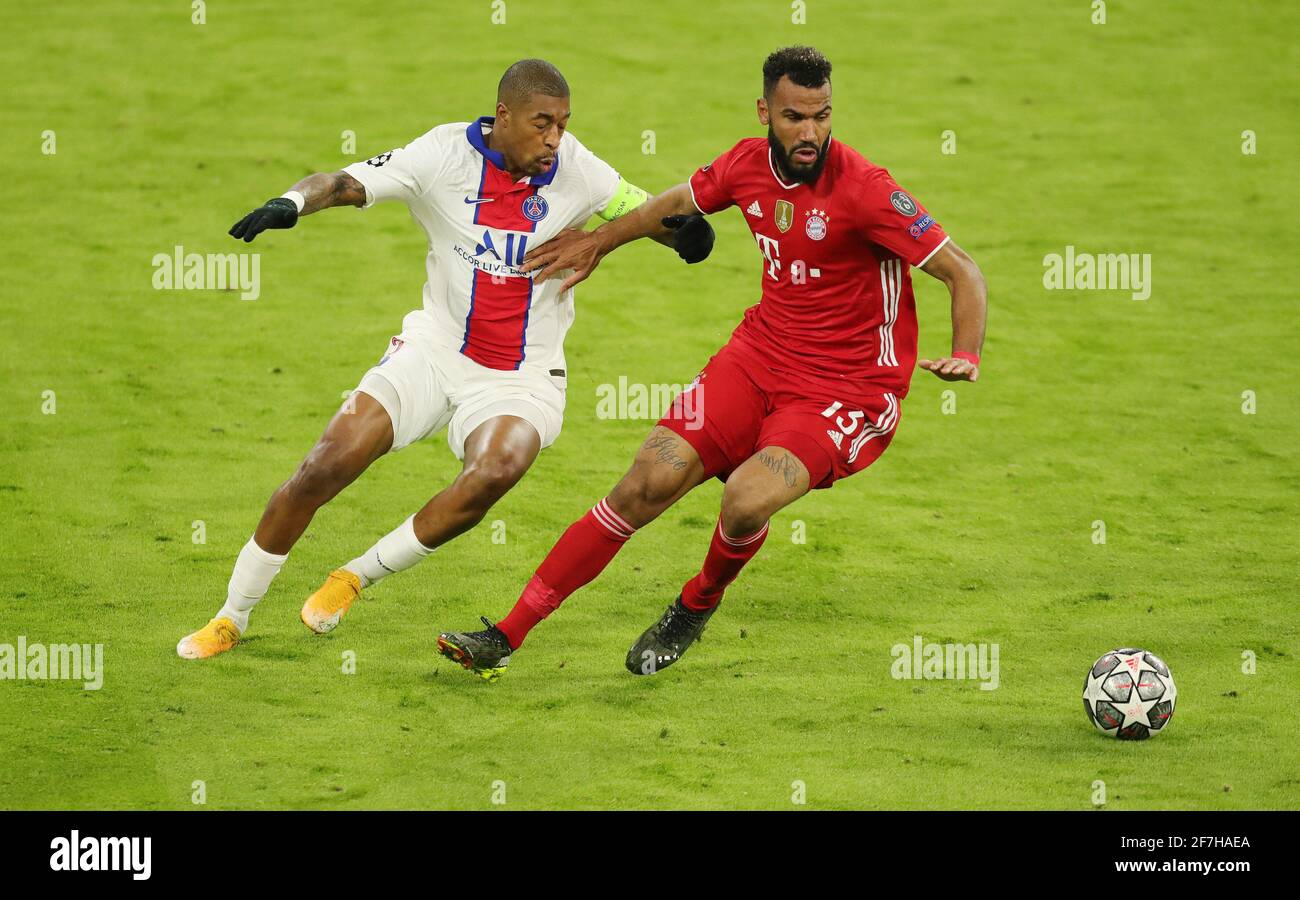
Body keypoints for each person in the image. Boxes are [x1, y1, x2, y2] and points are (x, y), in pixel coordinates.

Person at [436, 46, 987, 681]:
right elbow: (671, 203)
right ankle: (505, 635)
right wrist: (600, 240)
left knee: (746, 501)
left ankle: (695, 605)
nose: (810, 132)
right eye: (793, 117)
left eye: (822, 115)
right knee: (643, 483)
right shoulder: (747, 165)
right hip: (758, 358)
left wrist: (966, 354)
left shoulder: (867, 191)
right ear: (764, 112)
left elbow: (962, 271)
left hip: (848, 390)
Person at [176, 59, 714, 659]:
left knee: (494, 471)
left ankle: (354, 576)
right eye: (543, 124)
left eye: (563, 124)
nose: (554, 139)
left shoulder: (579, 170)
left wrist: (689, 235)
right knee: (324, 465)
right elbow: (342, 182)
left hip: (522, 377)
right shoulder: (442, 154)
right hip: (433, 351)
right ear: (503, 116)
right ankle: (231, 617)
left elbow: (654, 215)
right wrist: (291, 204)